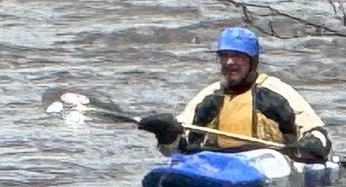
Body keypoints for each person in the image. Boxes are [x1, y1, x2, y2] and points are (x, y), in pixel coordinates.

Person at [137, 26, 331, 161]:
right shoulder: (210, 97)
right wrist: (166, 134)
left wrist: (312, 144)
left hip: (269, 160)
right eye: (225, 56)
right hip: (219, 161)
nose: (230, 62)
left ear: (251, 62)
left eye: (237, 56)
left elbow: (317, 133)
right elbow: (183, 146)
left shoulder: (276, 93)